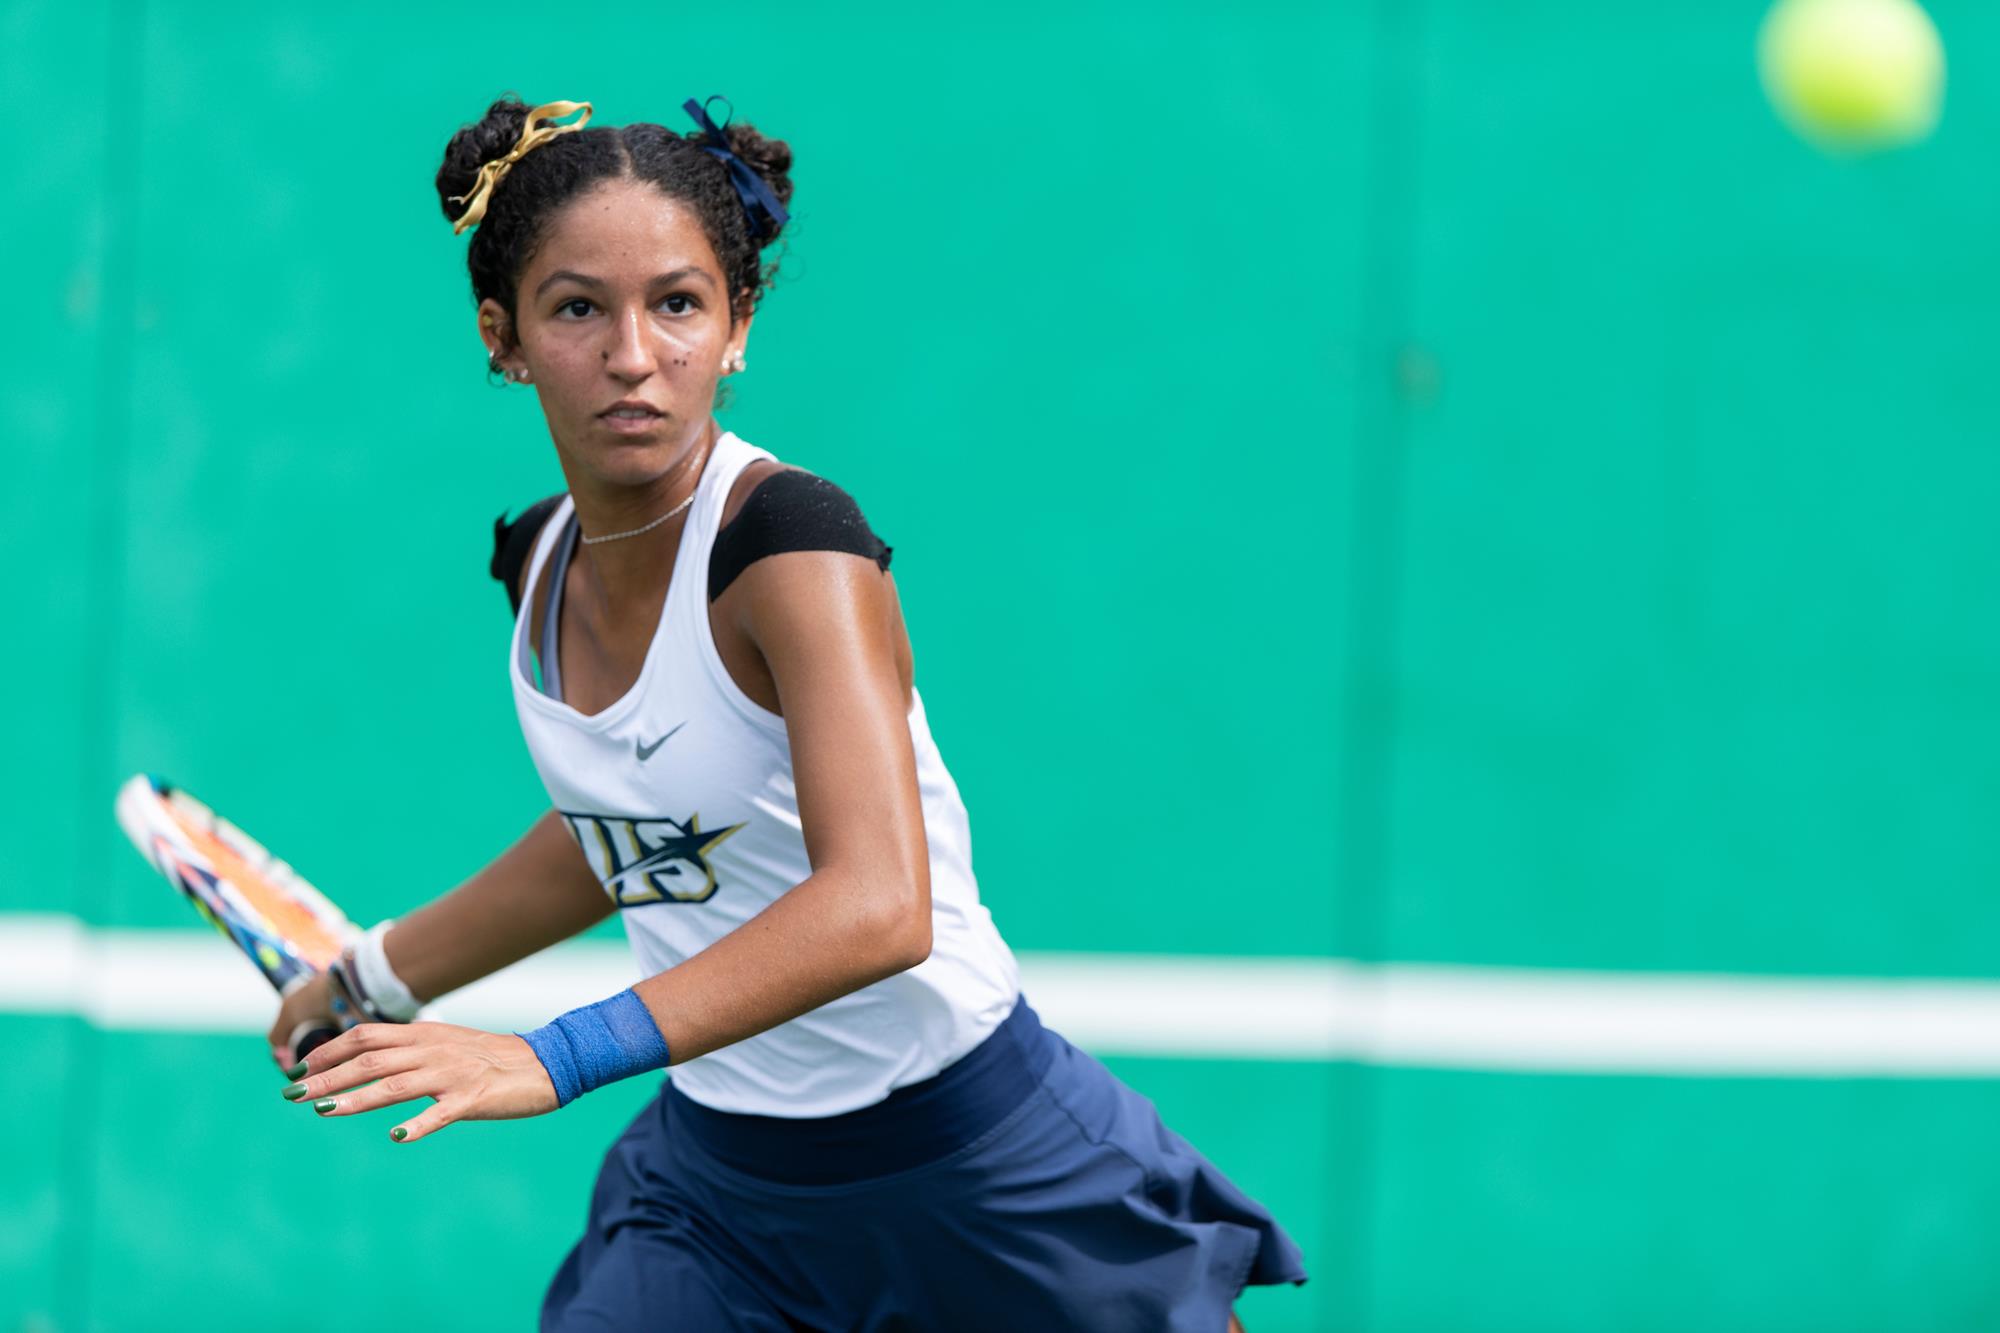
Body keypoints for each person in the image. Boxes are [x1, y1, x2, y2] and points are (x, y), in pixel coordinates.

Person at [267, 93, 1307, 1332]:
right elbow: (630, 831)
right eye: (577, 308)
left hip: (978, 1160)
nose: (633, 354)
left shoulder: (793, 546)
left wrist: (552, 1054)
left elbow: (877, 903)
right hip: (717, 1198)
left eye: (677, 304)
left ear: (738, 327)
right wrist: (371, 974)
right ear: (504, 337)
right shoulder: (536, 560)